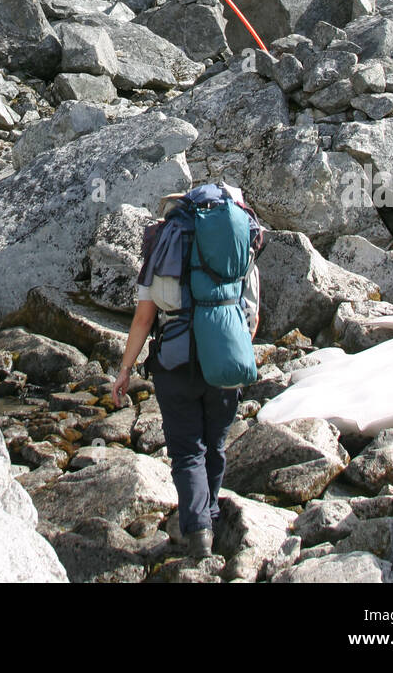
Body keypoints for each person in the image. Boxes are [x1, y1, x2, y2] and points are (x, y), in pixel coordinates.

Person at [111, 183, 258, 562]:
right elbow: (251, 318)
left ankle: (199, 535)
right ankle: (207, 519)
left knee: (187, 451)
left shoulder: (164, 242)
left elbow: (145, 317)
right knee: (215, 445)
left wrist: (125, 370)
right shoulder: (237, 245)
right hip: (224, 359)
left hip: (175, 362)